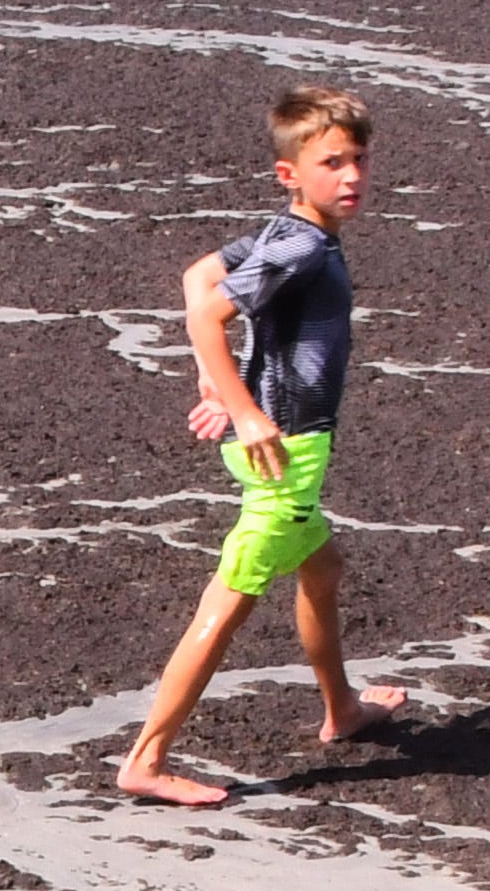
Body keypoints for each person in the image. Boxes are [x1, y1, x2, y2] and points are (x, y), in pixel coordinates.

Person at [119, 87, 409, 808]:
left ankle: (341, 707)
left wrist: (217, 390)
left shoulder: (285, 233)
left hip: (282, 447)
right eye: (331, 162)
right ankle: (146, 760)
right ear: (291, 174)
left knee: (323, 567)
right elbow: (207, 317)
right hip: (286, 450)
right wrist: (243, 410)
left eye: (360, 160)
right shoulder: (303, 249)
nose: (351, 177)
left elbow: (196, 277)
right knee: (227, 605)